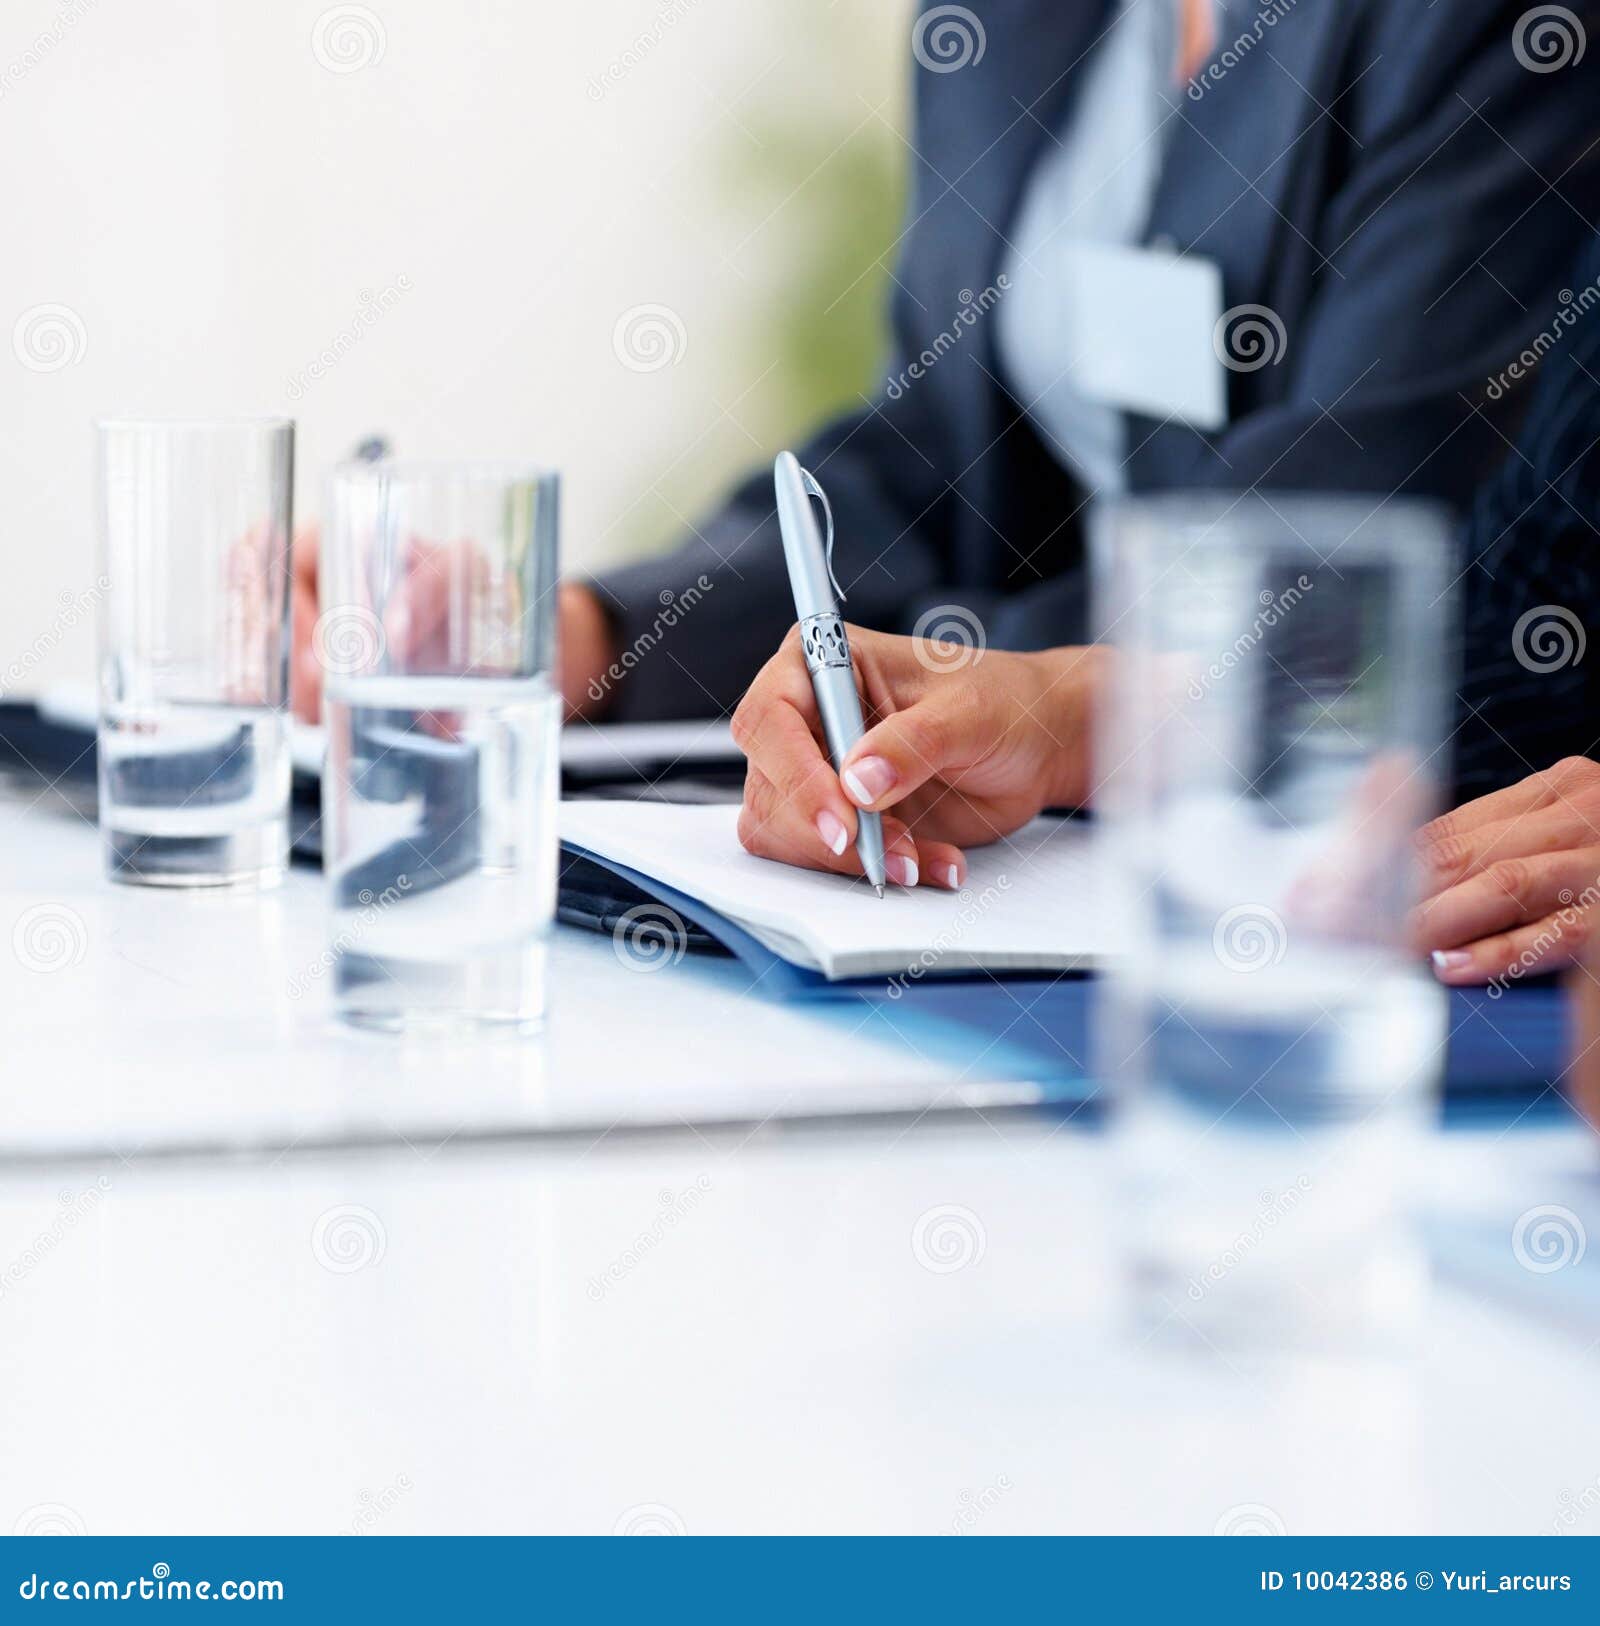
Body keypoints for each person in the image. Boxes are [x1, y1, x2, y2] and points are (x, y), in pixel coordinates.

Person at [293, 0, 1600, 728]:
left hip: (1359, 849)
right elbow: (934, 471)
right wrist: (586, 634)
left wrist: (1011, 702)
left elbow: (1340, 545)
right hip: (1079, 857)